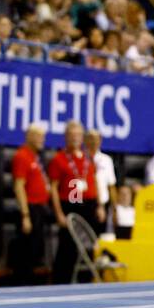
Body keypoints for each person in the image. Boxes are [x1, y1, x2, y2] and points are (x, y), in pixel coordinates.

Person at [49, 120, 100, 283]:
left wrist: (99, 206)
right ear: (66, 137)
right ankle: (61, 281)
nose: (75, 138)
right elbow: (54, 188)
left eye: (78, 135)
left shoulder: (88, 158)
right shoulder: (59, 159)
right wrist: (59, 214)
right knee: (68, 245)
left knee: (88, 244)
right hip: (71, 202)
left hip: (88, 203)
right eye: (72, 135)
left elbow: (94, 180)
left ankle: (86, 279)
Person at [10, 123, 50, 286]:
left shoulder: (36, 157)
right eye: (39, 136)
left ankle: (30, 283)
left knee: (36, 250)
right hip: (30, 209)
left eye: (43, 136)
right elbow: (19, 186)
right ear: (30, 136)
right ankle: (22, 284)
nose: (42, 140)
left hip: (39, 208)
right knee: (26, 250)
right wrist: (25, 215)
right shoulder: (22, 156)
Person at [84, 129, 118, 233]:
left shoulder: (106, 160)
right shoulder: (81, 158)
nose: (93, 141)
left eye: (96, 138)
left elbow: (111, 186)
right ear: (85, 140)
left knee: (98, 237)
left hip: (102, 204)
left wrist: (115, 210)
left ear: (100, 140)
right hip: (83, 203)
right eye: (90, 138)